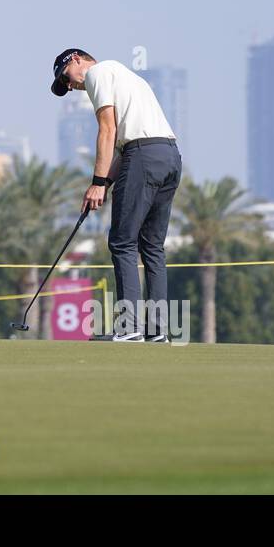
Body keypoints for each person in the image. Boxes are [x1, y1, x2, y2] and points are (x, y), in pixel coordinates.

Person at [51, 48, 182, 342]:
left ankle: (129, 328)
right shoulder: (128, 77)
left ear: (76, 60)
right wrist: (106, 182)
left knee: (122, 242)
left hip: (144, 157)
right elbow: (129, 142)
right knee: (152, 247)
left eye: (66, 78)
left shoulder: (97, 74)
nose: (70, 86)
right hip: (170, 156)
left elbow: (107, 131)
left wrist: (96, 181)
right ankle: (157, 331)